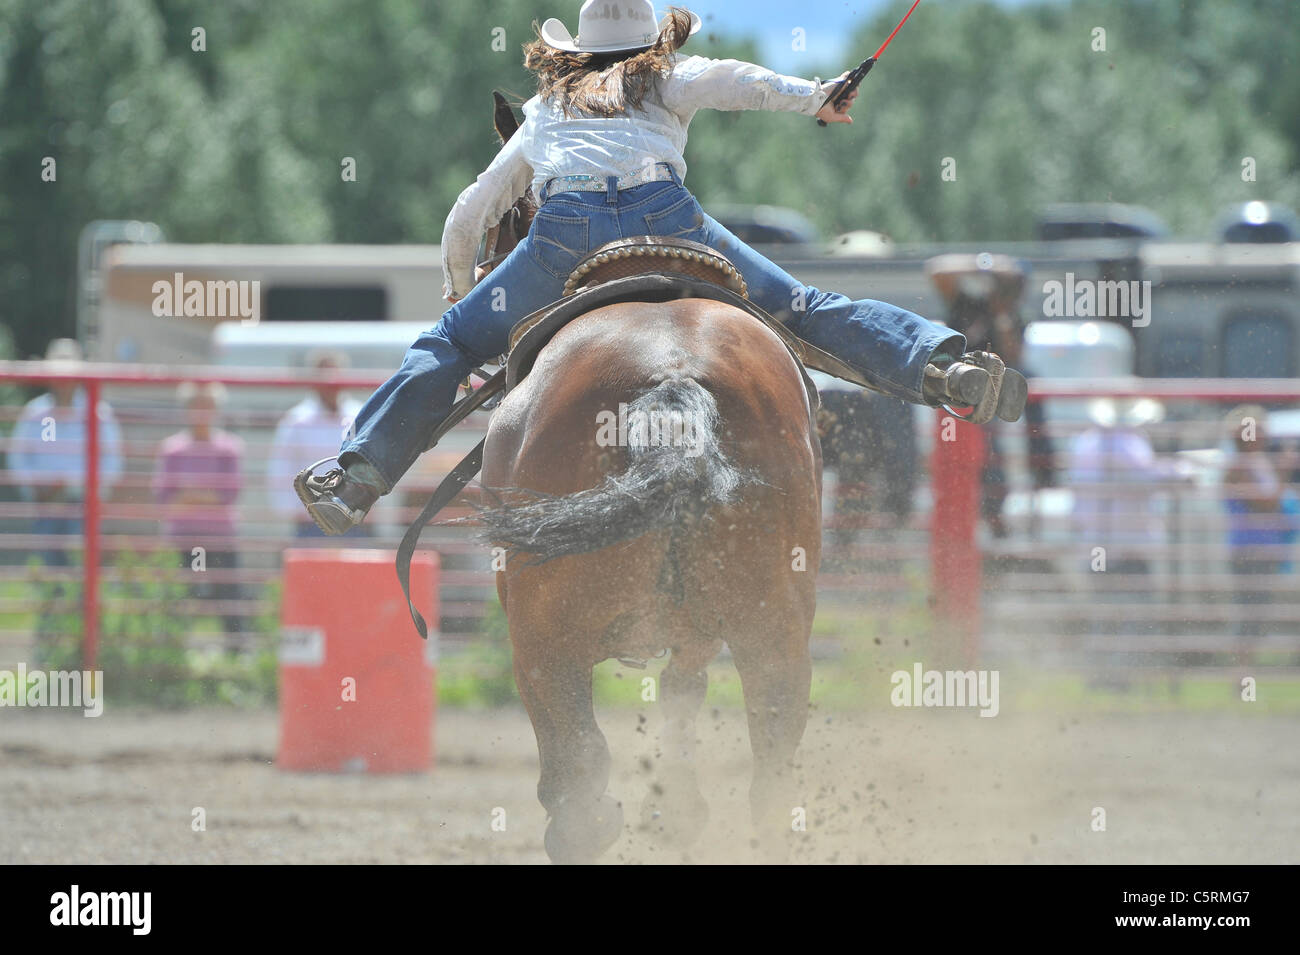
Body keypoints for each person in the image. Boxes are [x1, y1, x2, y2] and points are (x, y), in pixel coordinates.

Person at [295, 2, 1027, 533]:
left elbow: (468, 215)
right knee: (801, 310)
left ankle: (356, 477)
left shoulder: (549, 107)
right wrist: (818, 98)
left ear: (576, 51)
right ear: (653, 38)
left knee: (447, 345)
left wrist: (465, 302)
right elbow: (738, 81)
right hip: (668, 219)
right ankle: (945, 369)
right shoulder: (668, 74)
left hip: (564, 237)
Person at [6, 338, 123, 566]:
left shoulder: (99, 414)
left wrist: (80, 486)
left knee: (82, 564)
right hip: (46, 504)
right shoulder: (34, 413)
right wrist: (37, 487)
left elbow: (112, 463)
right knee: (48, 562)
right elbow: (17, 457)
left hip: (84, 504)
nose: (63, 380)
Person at [153, 382, 246, 651]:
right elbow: (163, 495)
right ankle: (171, 653)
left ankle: (237, 654)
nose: (202, 411)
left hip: (220, 539)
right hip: (183, 539)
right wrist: (208, 495)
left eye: (208, 405)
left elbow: (230, 494)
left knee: (229, 598)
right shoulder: (172, 449)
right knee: (179, 598)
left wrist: (188, 494)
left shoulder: (229, 448)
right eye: (197, 405)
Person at [1221, 405, 1298, 646]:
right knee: (1250, 618)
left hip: (1267, 550)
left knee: (1258, 617)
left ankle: (1246, 676)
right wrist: (1285, 473)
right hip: (1250, 551)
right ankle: (1242, 676)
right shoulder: (1237, 467)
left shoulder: (1260, 464)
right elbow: (1265, 503)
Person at [268, 350, 363, 538]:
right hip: (312, 520)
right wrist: (298, 512)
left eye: (334, 376)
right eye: (324, 377)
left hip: (357, 517)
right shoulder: (296, 420)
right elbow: (281, 468)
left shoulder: (359, 414)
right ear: (313, 382)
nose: (330, 384)